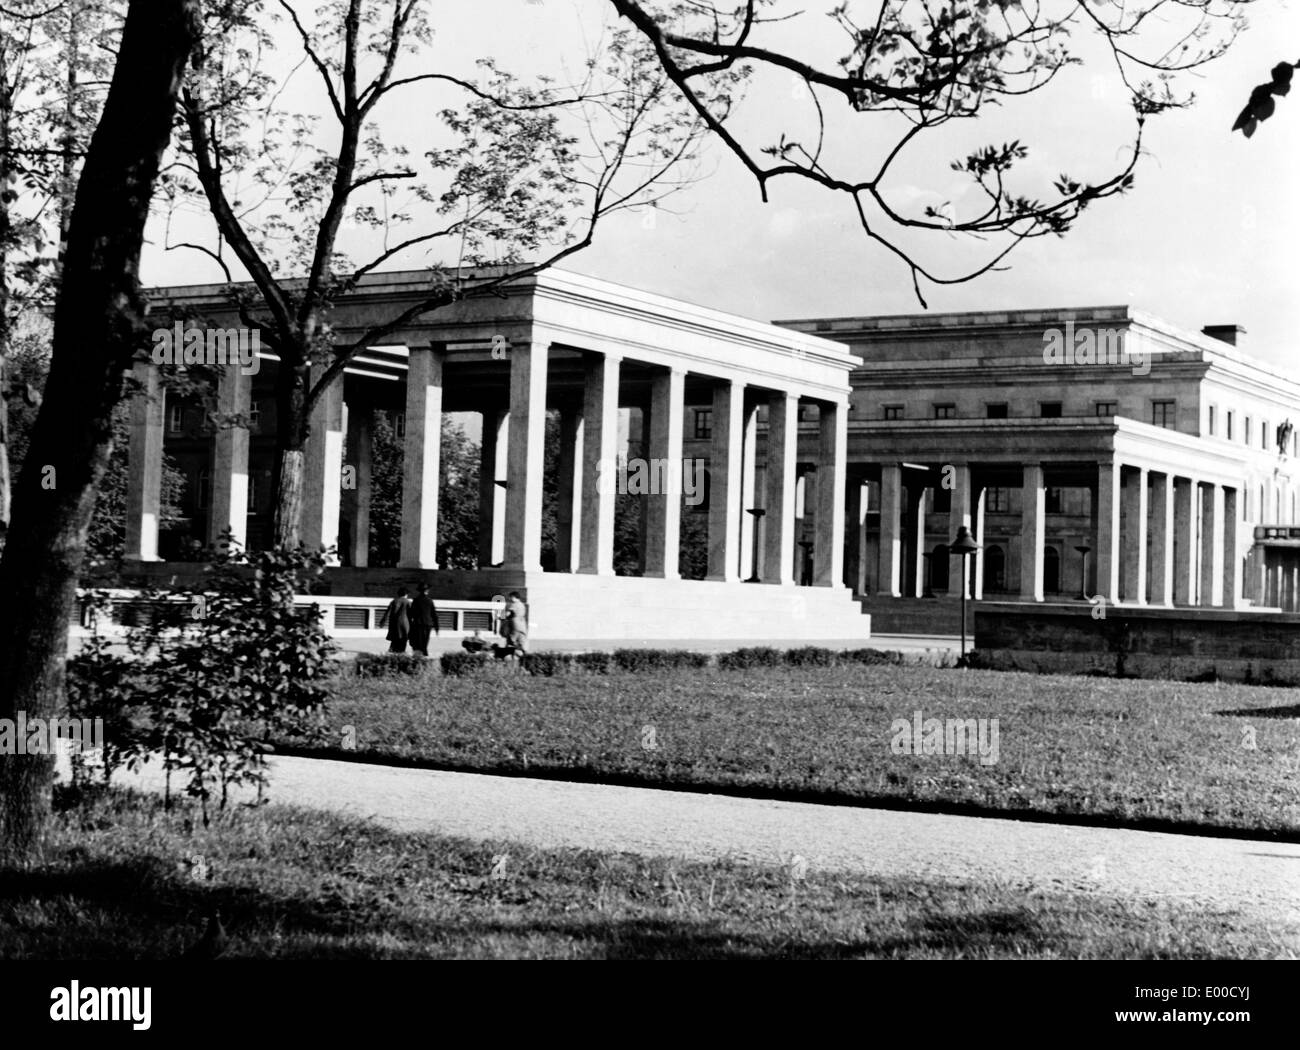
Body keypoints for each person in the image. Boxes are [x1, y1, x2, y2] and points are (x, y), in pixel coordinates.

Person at [409, 581, 439, 656]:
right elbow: (434, 615)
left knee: (418, 641)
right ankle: (424, 653)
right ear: (427, 591)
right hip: (428, 624)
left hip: (418, 624)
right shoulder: (430, 601)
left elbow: (411, 613)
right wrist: (437, 627)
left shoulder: (416, 600)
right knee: (425, 641)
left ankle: (420, 654)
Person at [379, 587, 412, 654]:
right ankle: (400, 653)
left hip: (394, 623)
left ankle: (393, 652)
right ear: (406, 594)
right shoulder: (408, 602)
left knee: (394, 639)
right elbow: (412, 614)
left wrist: (382, 622)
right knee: (403, 640)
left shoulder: (394, 601)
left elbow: (387, 613)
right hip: (405, 624)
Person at [500, 591, 528, 655]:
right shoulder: (522, 605)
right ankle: (524, 656)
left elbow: (508, 614)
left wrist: (501, 617)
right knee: (521, 642)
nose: (510, 599)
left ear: (514, 597)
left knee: (511, 641)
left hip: (514, 625)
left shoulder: (514, 605)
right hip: (522, 626)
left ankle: (509, 656)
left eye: (511, 597)